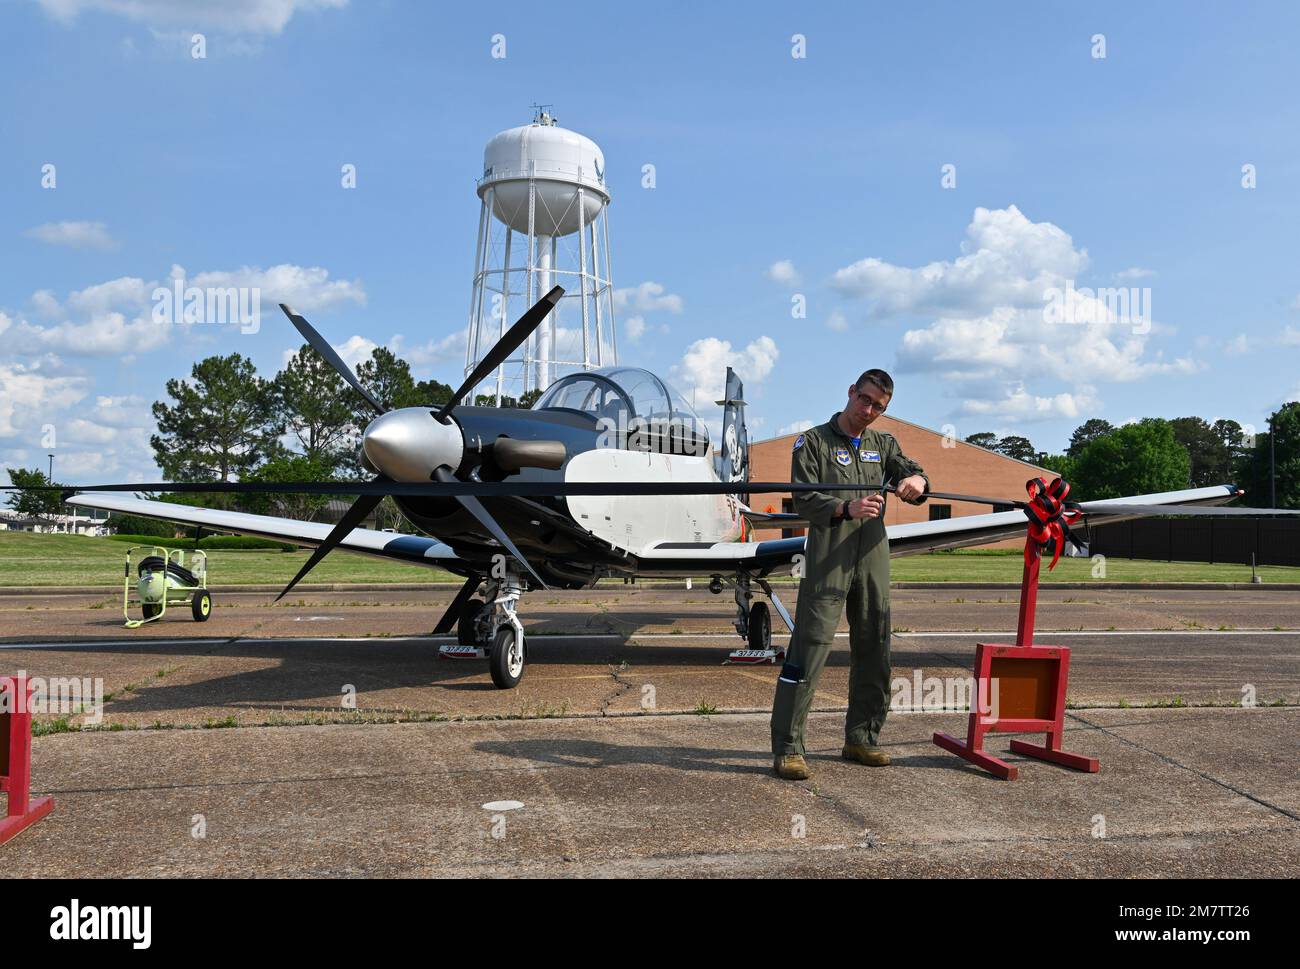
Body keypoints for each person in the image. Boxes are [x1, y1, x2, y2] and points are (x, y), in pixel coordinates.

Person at [770, 369, 929, 779]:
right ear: (850, 392)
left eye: (879, 406)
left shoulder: (883, 444)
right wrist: (845, 508)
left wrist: (916, 481)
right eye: (865, 399)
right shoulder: (814, 442)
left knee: (875, 646)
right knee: (810, 647)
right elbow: (804, 498)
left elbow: (913, 474)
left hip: (873, 556)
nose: (869, 410)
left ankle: (862, 737)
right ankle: (789, 747)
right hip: (828, 556)